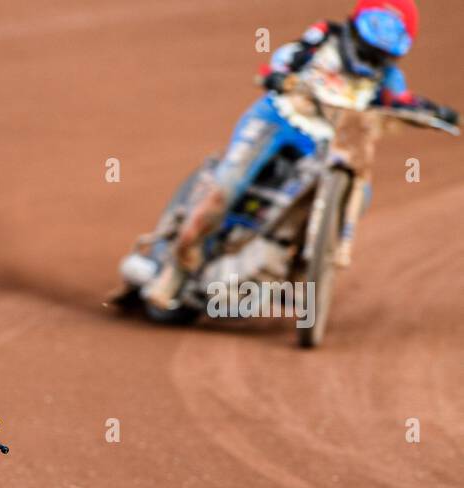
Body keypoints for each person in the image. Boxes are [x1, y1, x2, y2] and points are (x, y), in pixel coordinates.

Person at [143, 0, 457, 310]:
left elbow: (401, 101)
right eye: (369, 46)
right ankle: (178, 265)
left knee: (362, 193)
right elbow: (287, 57)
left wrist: (436, 112)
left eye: (383, 52)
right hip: (279, 118)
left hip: (328, 143)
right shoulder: (323, 37)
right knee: (229, 184)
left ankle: (297, 265)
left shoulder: (386, 78)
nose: (373, 57)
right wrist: (277, 74)